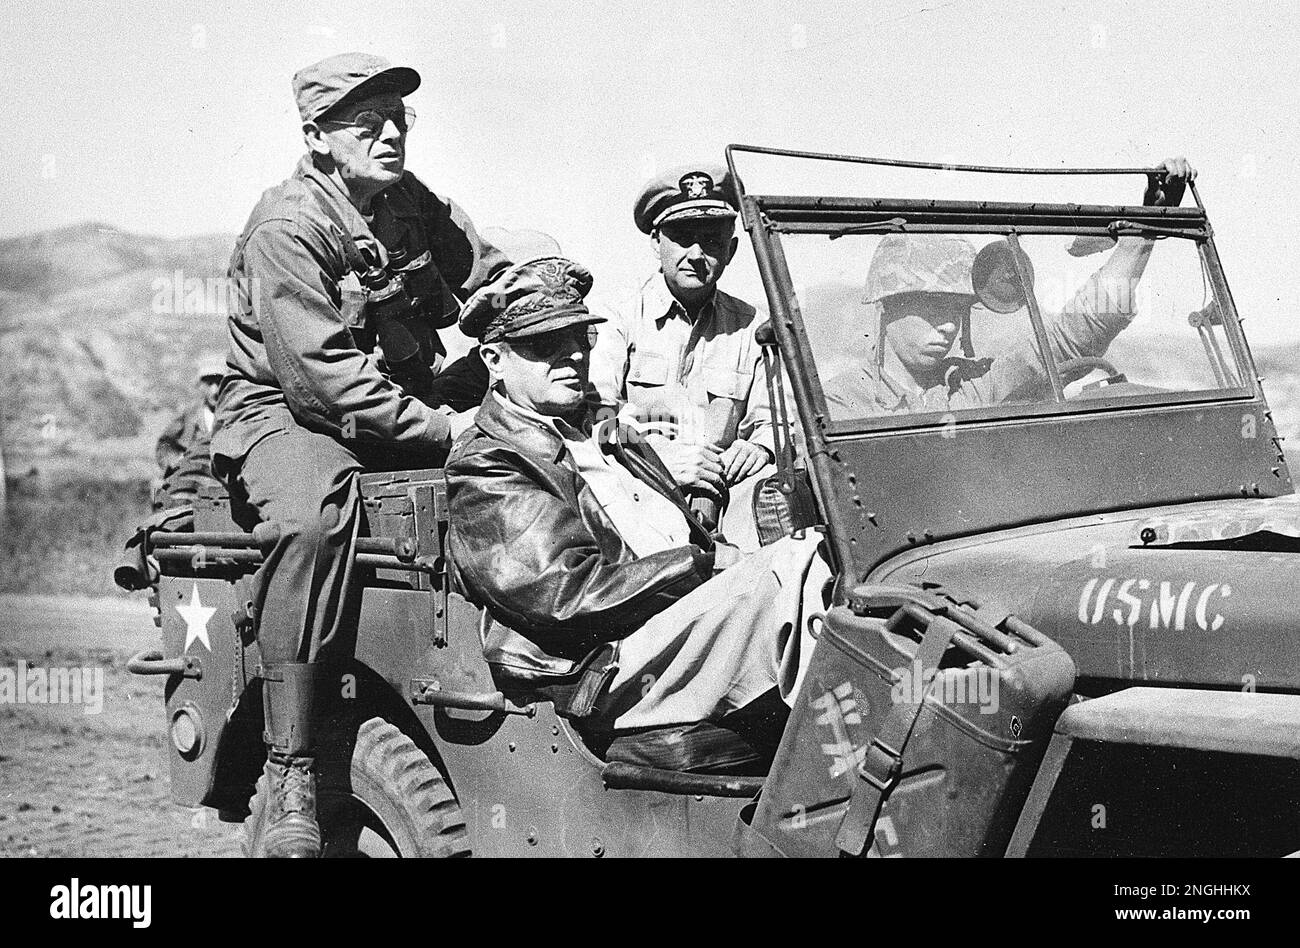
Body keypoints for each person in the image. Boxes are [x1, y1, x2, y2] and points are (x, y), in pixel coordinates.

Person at [210, 52, 508, 857]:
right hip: (288, 413)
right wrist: (450, 429)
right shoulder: (288, 227)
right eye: (362, 121)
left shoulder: (409, 205)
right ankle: (295, 764)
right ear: (316, 136)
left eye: (396, 118)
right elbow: (325, 387)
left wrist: (546, 312)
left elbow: (488, 274)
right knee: (315, 515)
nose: (388, 132)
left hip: (396, 401)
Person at [446, 257, 831, 773]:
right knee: (799, 566)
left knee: (838, 559)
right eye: (544, 346)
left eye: (580, 339)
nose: (572, 358)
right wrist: (704, 565)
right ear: (494, 359)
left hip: (674, 626)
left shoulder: (611, 436)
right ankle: (837, 779)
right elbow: (568, 595)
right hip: (609, 664)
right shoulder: (490, 462)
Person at [824, 157, 1198, 416]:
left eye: (957, 311)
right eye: (935, 308)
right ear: (890, 305)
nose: (950, 326)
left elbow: (1071, 339)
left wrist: (1140, 236)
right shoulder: (843, 400)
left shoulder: (974, 386)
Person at [589, 163, 777, 548]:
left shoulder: (753, 327)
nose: (696, 254)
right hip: (639, 492)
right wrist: (656, 458)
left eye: (711, 241)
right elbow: (596, 417)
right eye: (682, 238)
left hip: (726, 496)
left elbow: (778, 418)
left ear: (732, 249)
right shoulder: (619, 317)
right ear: (656, 243)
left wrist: (760, 447)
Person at [153, 355, 224, 509]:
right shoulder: (190, 416)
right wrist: (176, 461)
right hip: (191, 483)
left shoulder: (231, 415)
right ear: (201, 385)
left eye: (219, 383)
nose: (215, 390)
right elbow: (165, 444)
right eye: (209, 383)